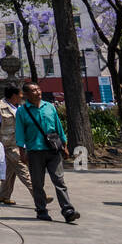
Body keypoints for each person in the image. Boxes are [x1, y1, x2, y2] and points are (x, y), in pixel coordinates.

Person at [16, 82, 79, 223]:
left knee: (59, 181)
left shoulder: (49, 107)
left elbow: (58, 127)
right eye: (33, 90)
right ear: (26, 95)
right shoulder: (22, 111)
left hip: (53, 150)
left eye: (38, 89)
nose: (38, 92)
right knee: (38, 183)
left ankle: (68, 210)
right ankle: (41, 210)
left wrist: (65, 145)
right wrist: (22, 151)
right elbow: (20, 132)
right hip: (34, 151)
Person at [0, 85, 38, 206]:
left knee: (9, 172)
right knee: (23, 169)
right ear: (14, 95)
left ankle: (3, 196)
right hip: (7, 145)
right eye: (21, 94)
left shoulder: (20, 107)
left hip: (19, 144)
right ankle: (39, 194)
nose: (22, 96)